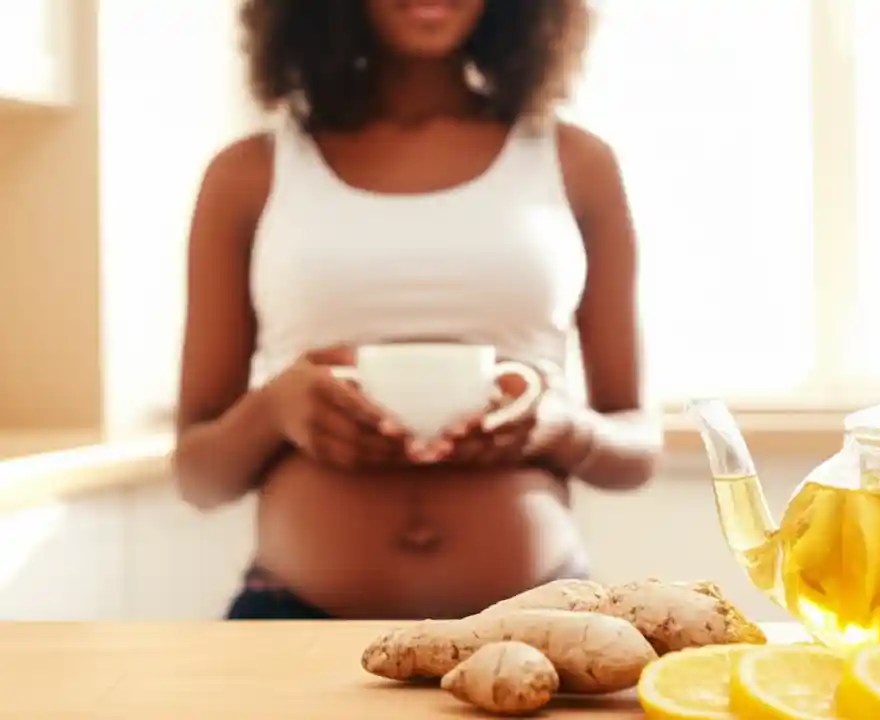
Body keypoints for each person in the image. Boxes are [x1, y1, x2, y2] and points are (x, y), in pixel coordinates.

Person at [173, 0, 661, 621]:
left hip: (538, 630)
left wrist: (563, 427)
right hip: (293, 621)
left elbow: (636, 448)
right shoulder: (248, 174)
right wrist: (273, 412)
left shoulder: (577, 164)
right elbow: (198, 476)